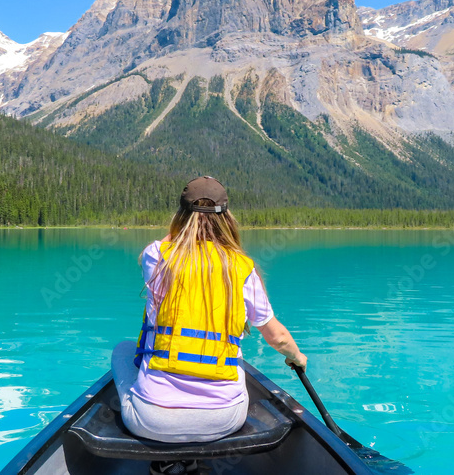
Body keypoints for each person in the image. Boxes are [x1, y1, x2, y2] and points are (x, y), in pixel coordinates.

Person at [111, 176, 307, 475]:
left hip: (152, 422)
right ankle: (191, 460)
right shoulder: (242, 268)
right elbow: (277, 337)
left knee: (124, 350)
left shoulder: (156, 256)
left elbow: (169, 241)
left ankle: (166, 458)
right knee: (236, 362)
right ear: (227, 218)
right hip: (223, 420)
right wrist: (297, 357)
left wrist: (186, 222)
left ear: (181, 216)